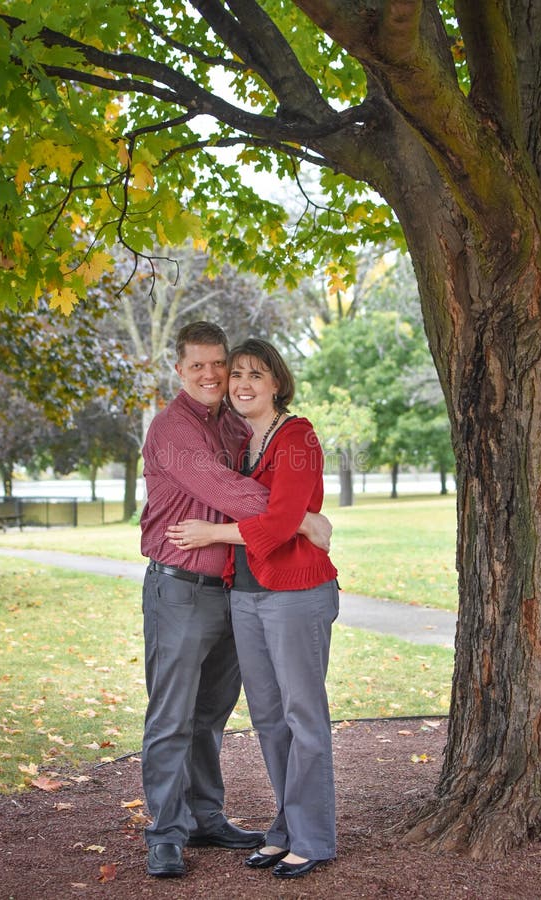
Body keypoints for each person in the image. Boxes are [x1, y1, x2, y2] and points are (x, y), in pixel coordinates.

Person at [140, 322, 332, 878]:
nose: (212, 374)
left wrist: (286, 516)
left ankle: (205, 817)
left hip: (234, 589)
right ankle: (166, 833)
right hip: (179, 587)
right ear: (179, 370)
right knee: (173, 717)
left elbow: (271, 485)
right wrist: (299, 516)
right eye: (197, 365)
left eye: (219, 364)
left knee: (211, 717)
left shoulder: (237, 425)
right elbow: (227, 492)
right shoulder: (174, 429)